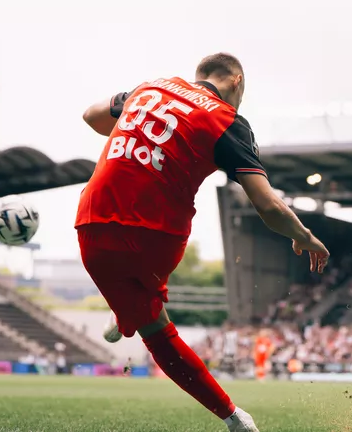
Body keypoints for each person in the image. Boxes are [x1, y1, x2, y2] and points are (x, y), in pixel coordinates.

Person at [77, 53, 329, 432]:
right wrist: (305, 237)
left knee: (139, 303)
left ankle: (125, 310)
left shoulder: (151, 87)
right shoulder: (226, 119)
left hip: (92, 225)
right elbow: (267, 205)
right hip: (155, 239)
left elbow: (92, 117)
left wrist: (136, 124)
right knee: (157, 331)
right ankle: (234, 418)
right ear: (237, 81)